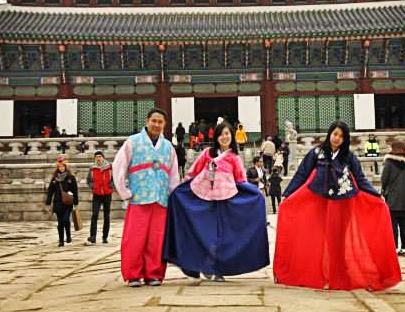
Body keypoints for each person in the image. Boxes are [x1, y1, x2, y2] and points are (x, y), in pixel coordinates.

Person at [274, 121, 401, 291]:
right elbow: (301, 175)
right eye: (335, 134)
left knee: (338, 240)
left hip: (342, 204)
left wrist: (376, 195)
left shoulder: (348, 156)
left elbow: (361, 179)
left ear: (345, 139)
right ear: (330, 134)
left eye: (341, 136)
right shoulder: (316, 153)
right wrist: (288, 194)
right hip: (318, 201)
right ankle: (320, 274)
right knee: (318, 237)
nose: (337, 138)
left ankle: (339, 275)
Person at [163, 122, 269, 281]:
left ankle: (219, 269)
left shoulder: (234, 158)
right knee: (206, 234)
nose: (224, 137)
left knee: (223, 237)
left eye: (227, 133)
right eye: (221, 134)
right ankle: (203, 264)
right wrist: (182, 190)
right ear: (216, 137)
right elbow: (193, 173)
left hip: (227, 201)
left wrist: (255, 195)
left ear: (232, 136)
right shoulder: (207, 153)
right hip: (204, 200)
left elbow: (240, 180)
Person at [113, 108, 180, 287]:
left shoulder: (168, 148)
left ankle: (154, 273)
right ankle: (133, 274)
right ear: (147, 121)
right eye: (154, 121)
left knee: (156, 240)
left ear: (165, 125)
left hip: (161, 199)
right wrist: (125, 192)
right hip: (139, 198)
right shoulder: (133, 142)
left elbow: (173, 174)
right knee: (134, 238)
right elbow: (119, 167)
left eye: (160, 122)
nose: (157, 125)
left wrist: (173, 195)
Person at [380, 141, 405, 256]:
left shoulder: (389, 163)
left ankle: (394, 247)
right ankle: (404, 248)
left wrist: (384, 189)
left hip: (393, 196)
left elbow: (384, 179)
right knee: (404, 223)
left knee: (393, 223)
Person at [45, 156, 79, 246]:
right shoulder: (55, 179)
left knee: (66, 220)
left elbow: (75, 190)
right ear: (58, 168)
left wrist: (75, 202)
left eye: (63, 166)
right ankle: (61, 240)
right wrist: (48, 201)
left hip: (67, 203)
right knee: (60, 223)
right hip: (58, 203)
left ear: (65, 167)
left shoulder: (71, 178)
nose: (61, 168)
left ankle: (68, 236)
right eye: (60, 167)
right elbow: (50, 190)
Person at [86, 151, 113, 244]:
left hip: (107, 194)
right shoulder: (92, 168)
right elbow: (88, 180)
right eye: (96, 157)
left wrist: (111, 185)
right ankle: (93, 236)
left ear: (103, 157)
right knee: (94, 215)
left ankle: (105, 237)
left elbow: (115, 178)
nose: (98, 158)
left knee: (107, 216)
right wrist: (93, 186)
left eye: (100, 156)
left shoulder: (110, 167)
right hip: (97, 194)